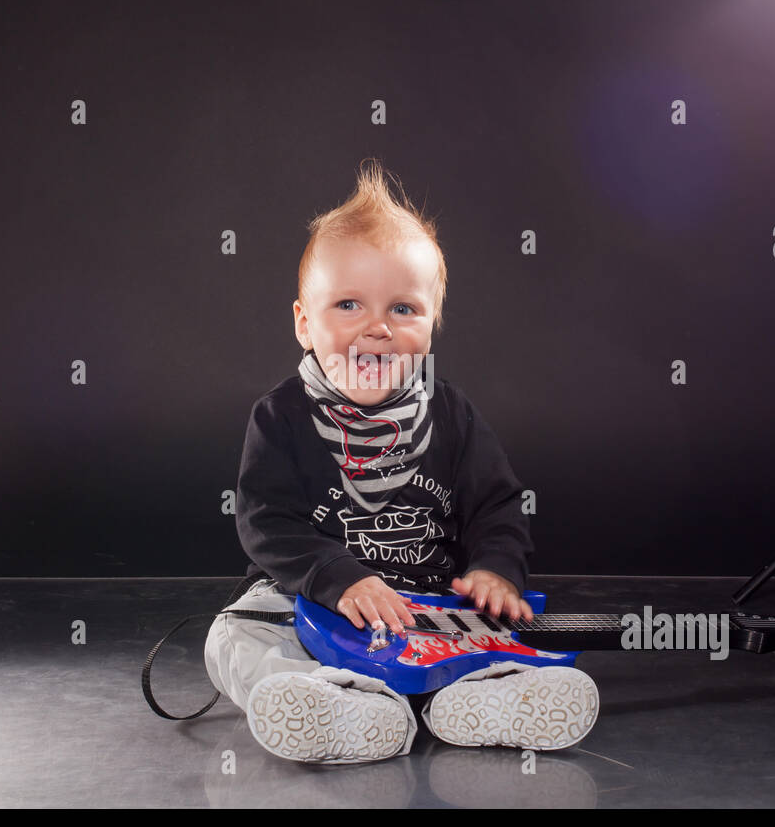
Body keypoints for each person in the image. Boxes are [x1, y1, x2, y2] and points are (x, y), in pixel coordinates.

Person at [204, 158, 597, 763]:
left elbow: (496, 505)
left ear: (432, 327)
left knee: (491, 635)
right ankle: (338, 702)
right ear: (304, 324)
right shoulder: (281, 416)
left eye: (403, 310)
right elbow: (267, 522)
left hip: (431, 610)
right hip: (317, 604)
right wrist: (338, 579)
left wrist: (496, 568)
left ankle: (484, 702)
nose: (378, 328)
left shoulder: (453, 413)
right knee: (236, 633)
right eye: (348, 306)